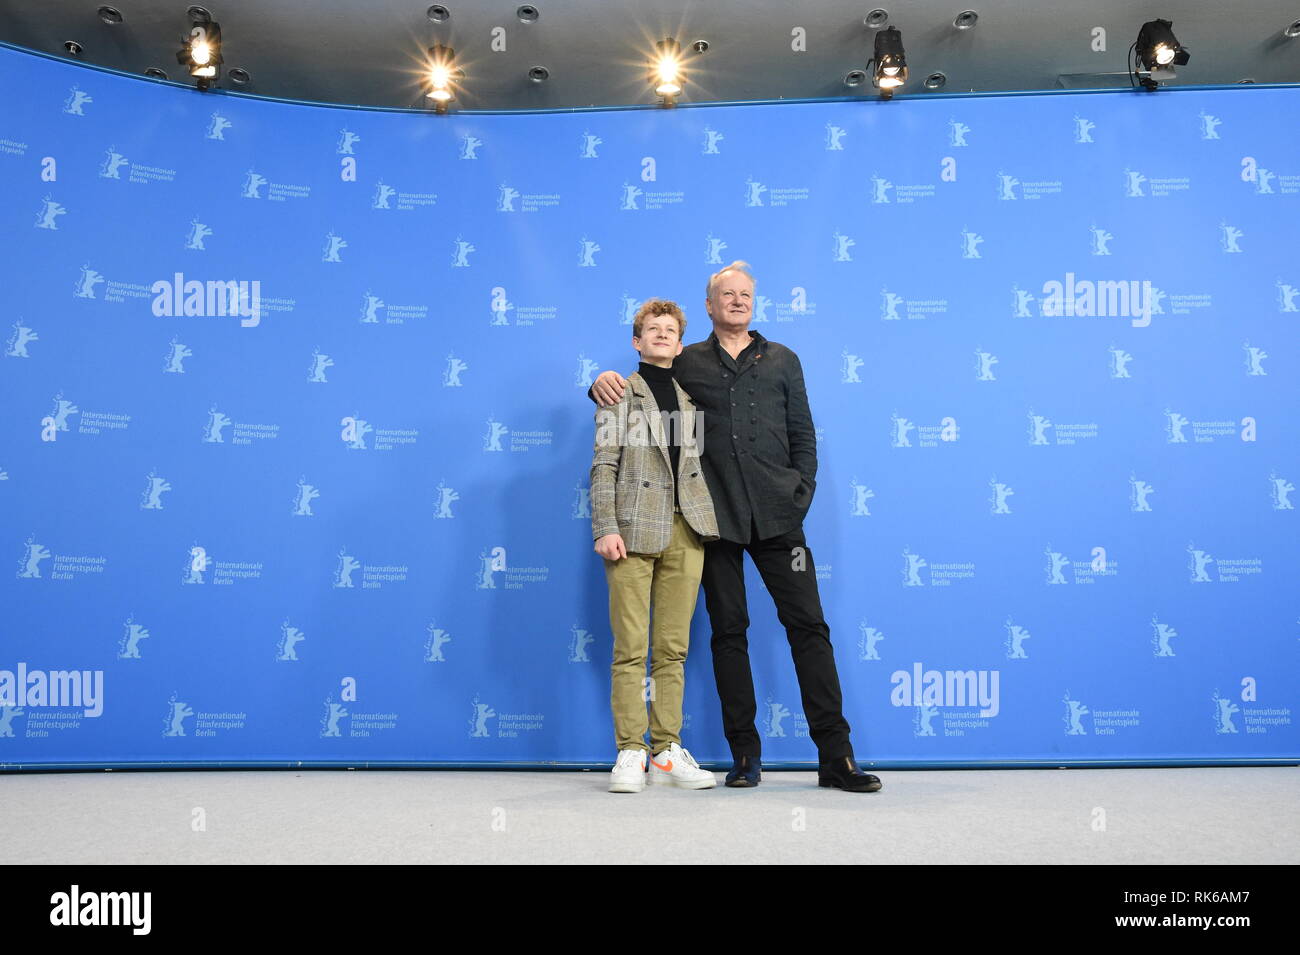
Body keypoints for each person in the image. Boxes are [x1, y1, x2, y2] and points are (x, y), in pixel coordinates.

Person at [590, 262, 882, 793]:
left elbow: (804, 436)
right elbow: (642, 390)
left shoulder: (784, 360)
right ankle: (744, 756)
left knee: (810, 629)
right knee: (729, 634)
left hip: (780, 520)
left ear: (755, 302)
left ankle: (836, 757)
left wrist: (800, 494)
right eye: (727, 294)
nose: (738, 301)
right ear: (709, 305)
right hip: (715, 524)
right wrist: (599, 383)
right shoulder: (686, 360)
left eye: (746, 294)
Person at [590, 298, 719, 793]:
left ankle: (667, 748)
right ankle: (630, 750)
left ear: (680, 344)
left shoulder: (690, 401)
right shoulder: (619, 394)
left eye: (670, 329)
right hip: (632, 531)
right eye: (652, 328)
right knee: (630, 648)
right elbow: (604, 464)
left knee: (672, 650)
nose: (662, 334)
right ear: (637, 341)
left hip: (686, 533)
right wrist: (605, 527)